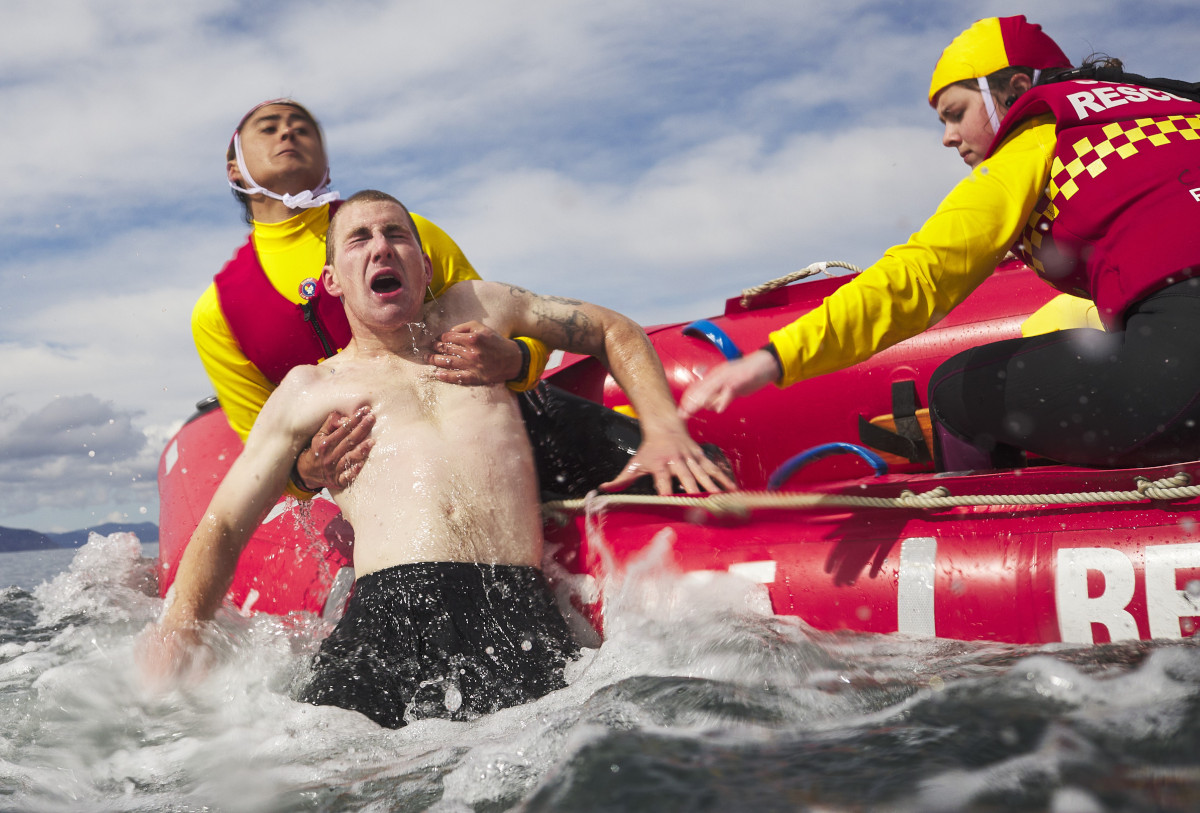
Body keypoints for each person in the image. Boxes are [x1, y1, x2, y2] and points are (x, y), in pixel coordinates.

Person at [142, 190, 735, 728]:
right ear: (332, 281)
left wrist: (662, 430)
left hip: (512, 609)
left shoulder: (482, 311)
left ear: (425, 266)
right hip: (387, 617)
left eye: (397, 235)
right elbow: (224, 522)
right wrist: (178, 629)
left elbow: (612, 329)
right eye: (359, 239)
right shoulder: (310, 390)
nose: (381, 247)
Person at [680, 16, 1200, 471]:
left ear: (1016, 88)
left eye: (955, 112)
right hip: (1175, 330)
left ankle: (980, 538)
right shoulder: (1176, 109)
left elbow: (924, 273)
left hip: (1182, 377)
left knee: (956, 391)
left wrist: (776, 356)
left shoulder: (1039, 136)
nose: (948, 137)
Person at [194, 99, 549, 498]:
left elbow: (517, 330)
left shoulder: (407, 236)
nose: (288, 131)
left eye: (303, 127)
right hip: (369, 489)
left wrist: (519, 359)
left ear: (325, 160)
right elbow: (264, 458)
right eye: (269, 127)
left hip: (491, 440)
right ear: (234, 168)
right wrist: (306, 471)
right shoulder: (217, 313)